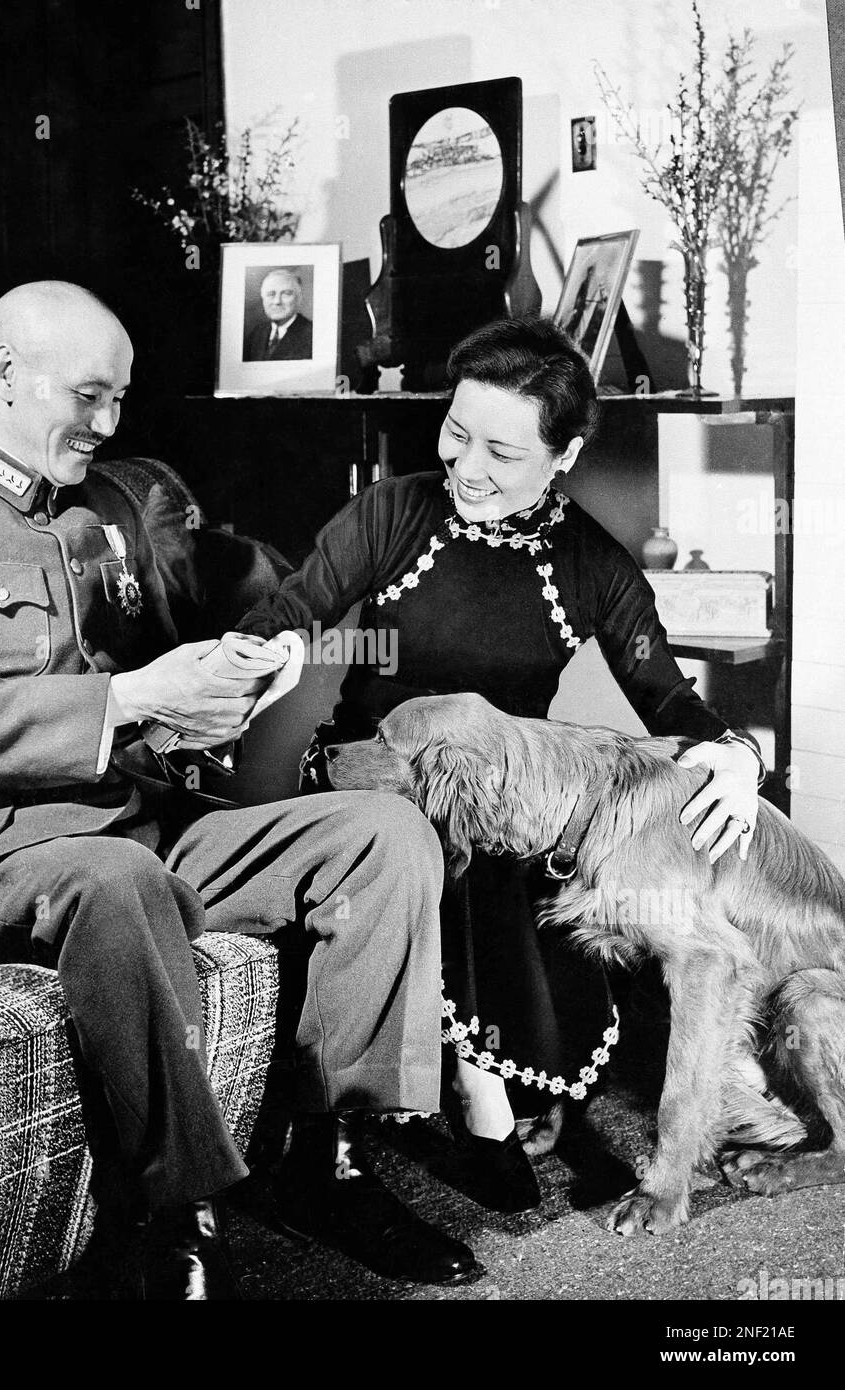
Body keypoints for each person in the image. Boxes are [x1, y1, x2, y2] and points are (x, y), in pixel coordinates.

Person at [0, 280, 478, 1298]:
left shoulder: (108, 509)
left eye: (120, 400)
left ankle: (331, 1158)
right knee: (115, 879)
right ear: (7, 374)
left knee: (382, 833)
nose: (108, 424)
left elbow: (202, 631)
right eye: (90, 396)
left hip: (137, 821)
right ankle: (179, 1209)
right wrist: (133, 694)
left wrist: (232, 677)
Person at [237, 316, 764, 1213]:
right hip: (372, 777)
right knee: (418, 835)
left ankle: (486, 1085)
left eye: (503, 452)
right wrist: (246, 661)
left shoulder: (593, 563)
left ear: (564, 456)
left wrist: (738, 758)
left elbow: (672, 705)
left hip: (491, 803)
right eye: (456, 432)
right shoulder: (394, 512)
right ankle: (479, 1107)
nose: (467, 467)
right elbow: (295, 605)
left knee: (518, 848)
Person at [243, 268, 314, 361]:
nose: (277, 301)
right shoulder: (257, 333)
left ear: (298, 299)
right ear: (263, 299)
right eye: (271, 294)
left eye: (286, 294)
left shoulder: (312, 335)